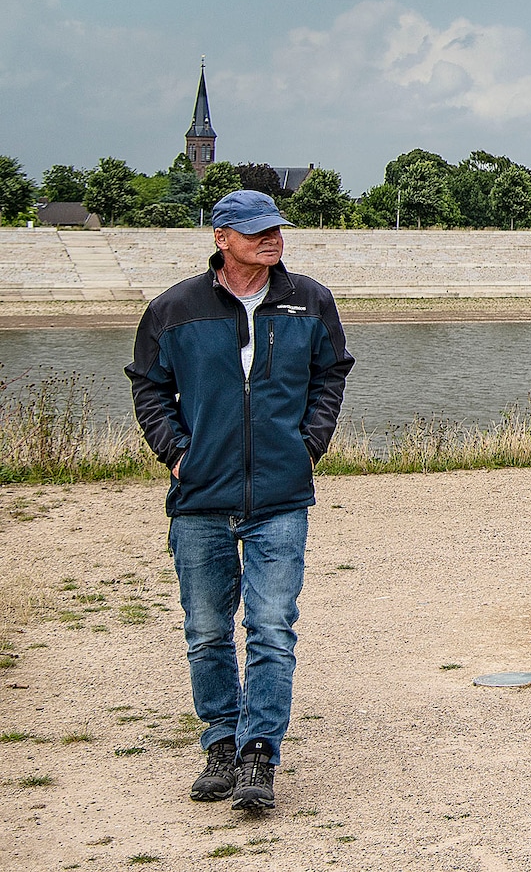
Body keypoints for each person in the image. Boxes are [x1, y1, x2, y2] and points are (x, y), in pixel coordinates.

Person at [127, 190, 352, 813]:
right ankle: (220, 744)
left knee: (272, 629)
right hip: (201, 497)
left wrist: (308, 445)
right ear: (221, 237)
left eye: (275, 228)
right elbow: (148, 384)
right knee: (206, 631)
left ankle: (258, 754)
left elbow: (332, 374)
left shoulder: (310, 300)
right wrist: (177, 453)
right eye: (255, 232)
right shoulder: (174, 308)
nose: (270, 239)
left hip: (280, 496)